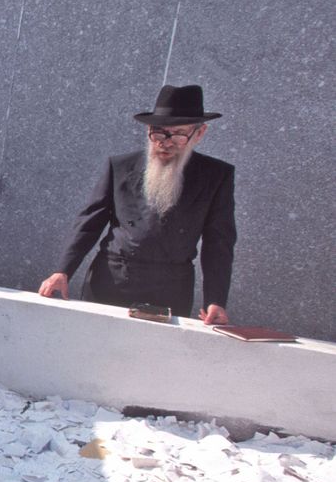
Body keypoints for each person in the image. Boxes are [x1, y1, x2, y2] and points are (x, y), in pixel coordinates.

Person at [38, 84, 236, 324]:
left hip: (171, 289)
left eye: (178, 134)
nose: (165, 141)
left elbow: (219, 243)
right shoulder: (120, 166)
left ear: (199, 132)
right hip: (112, 281)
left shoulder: (216, 176)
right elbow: (89, 223)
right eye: (158, 132)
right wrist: (63, 270)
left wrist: (215, 299)